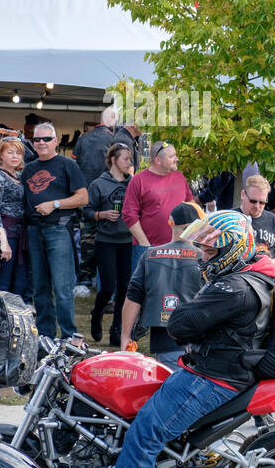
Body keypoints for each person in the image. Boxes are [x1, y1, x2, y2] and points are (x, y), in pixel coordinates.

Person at [58, 211, 275, 468]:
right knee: (139, 424)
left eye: (208, 252)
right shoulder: (246, 277)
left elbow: (179, 324)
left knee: (144, 434)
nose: (203, 258)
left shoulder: (232, 287)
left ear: (231, 251)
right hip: (217, 368)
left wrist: (192, 310)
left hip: (213, 377)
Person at [20, 121, 89, 340]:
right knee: (40, 288)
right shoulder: (28, 168)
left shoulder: (67, 165)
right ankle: (45, 337)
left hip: (58, 229)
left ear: (56, 141)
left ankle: (69, 337)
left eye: (46, 139)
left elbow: (83, 197)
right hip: (34, 230)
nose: (41, 143)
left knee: (62, 288)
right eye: (37, 139)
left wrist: (55, 204)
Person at [120, 202, 205, 368]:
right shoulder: (205, 257)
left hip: (164, 343)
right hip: (198, 340)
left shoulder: (150, 255)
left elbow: (133, 297)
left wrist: (126, 336)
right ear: (189, 227)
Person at [85, 143, 136, 348]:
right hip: (105, 240)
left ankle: (116, 330)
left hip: (126, 241)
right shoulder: (98, 184)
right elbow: (86, 212)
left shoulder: (132, 183)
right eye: (125, 159)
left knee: (125, 288)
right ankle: (97, 314)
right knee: (108, 287)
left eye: (130, 160)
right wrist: (102, 214)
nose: (129, 163)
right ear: (114, 160)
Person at [122, 140, 195, 276]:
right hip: (149, 248)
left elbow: (191, 206)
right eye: (172, 156)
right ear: (158, 160)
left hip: (180, 248)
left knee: (176, 291)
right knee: (145, 291)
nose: (176, 159)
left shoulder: (179, 177)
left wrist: (191, 237)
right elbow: (129, 215)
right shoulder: (138, 180)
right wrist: (145, 244)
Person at [0, 137, 30, 299]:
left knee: (19, 282)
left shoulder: (18, 177)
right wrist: (3, 241)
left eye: (18, 153)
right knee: (2, 281)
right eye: (10, 152)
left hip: (19, 234)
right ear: (1, 155)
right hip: (3, 233)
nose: (15, 156)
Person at [238, 175, 275, 280]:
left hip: (264, 285)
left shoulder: (274, 221)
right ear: (243, 195)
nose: (257, 206)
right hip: (236, 281)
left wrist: (268, 263)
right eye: (253, 201)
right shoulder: (230, 217)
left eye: (262, 202)